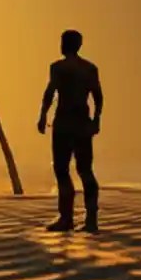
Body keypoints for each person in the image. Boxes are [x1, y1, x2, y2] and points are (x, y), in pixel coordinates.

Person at [37, 29, 103, 233]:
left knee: (62, 169)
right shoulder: (89, 68)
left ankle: (67, 218)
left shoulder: (58, 68)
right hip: (82, 122)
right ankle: (90, 219)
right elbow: (99, 97)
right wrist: (96, 120)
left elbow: (49, 93)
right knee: (85, 169)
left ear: (67, 44)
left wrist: (42, 116)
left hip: (65, 122)